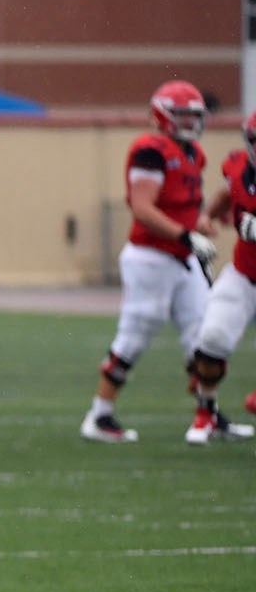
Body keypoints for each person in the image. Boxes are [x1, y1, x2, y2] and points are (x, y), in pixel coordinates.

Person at [80, 80, 223, 443]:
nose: (191, 123)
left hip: (181, 256)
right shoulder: (150, 149)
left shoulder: (194, 154)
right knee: (136, 334)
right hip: (151, 257)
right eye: (183, 116)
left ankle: (208, 416)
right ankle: (99, 415)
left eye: (194, 116)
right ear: (163, 116)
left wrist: (201, 225)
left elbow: (187, 207)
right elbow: (142, 207)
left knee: (204, 337)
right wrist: (185, 234)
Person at [186, 109, 256, 445]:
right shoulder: (238, 167)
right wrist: (207, 217)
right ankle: (206, 414)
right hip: (245, 273)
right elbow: (229, 192)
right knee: (212, 336)